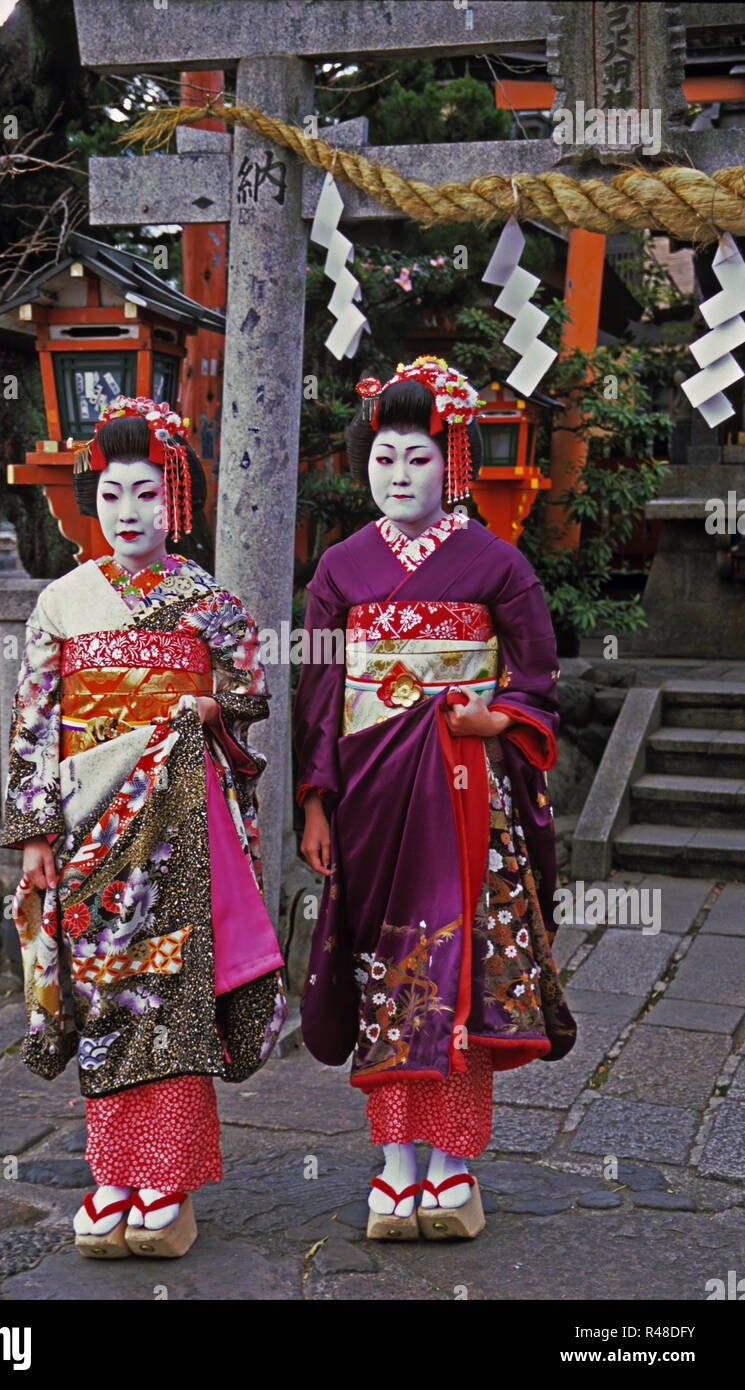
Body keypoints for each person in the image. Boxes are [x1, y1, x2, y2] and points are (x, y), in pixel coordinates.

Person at [294, 355, 577, 1241]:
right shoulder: (339, 569)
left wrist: (496, 721)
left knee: (459, 966)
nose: (399, 477)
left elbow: (537, 681)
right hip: (370, 790)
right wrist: (314, 801)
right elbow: (319, 695)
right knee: (386, 966)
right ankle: (393, 1161)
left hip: (465, 793)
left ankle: (451, 1161)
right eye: (384, 459)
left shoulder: (496, 562)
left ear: (451, 462)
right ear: (364, 462)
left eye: (417, 458)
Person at [1, 395, 285, 1259]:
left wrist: (208, 704)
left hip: (177, 830)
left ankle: (168, 1177)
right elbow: (34, 723)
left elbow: (251, 696)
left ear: (178, 502)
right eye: (115, 494)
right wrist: (38, 833)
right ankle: (112, 1174)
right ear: (93, 503)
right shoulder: (62, 601)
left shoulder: (212, 605)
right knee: (99, 993)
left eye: (149, 495)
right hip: (89, 820)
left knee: (168, 990)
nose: (130, 513)